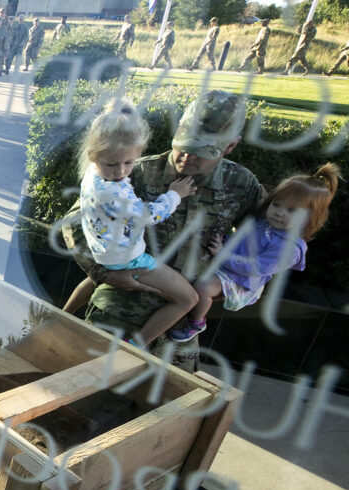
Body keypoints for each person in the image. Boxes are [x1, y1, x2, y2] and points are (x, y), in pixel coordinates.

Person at [60, 90, 263, 370]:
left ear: (230, 147)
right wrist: (104, 272)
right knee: (85, 389)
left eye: (201, 151)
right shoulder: (135, 170)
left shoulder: (241, 185)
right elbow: (73, 223)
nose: (187, 157)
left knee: (165, 407)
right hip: (120, 310)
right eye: (184, 144)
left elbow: (269, 241)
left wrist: (229, 285)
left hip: (177, 330)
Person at [75, 98, 198, 345]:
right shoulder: (113, 192)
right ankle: (136, 345)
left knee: (90, 280)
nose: (121, 171)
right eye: (112, 164)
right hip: (128, 258)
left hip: (105, 254)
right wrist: (175, 195)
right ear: (93, 155)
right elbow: (147, 216)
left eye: (129, 163)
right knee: (189, 299)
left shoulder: (93, 173)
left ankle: (59, 316)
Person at [170, 163, 341, 341]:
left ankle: (196, 322)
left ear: (309, 218)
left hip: (241, 280)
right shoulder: (264, 223)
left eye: (291, 210)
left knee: (203, 287)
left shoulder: (290, 248)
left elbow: (257, 267)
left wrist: (222, 254)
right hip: (227, 266)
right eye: (276, 205)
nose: (279, 213)